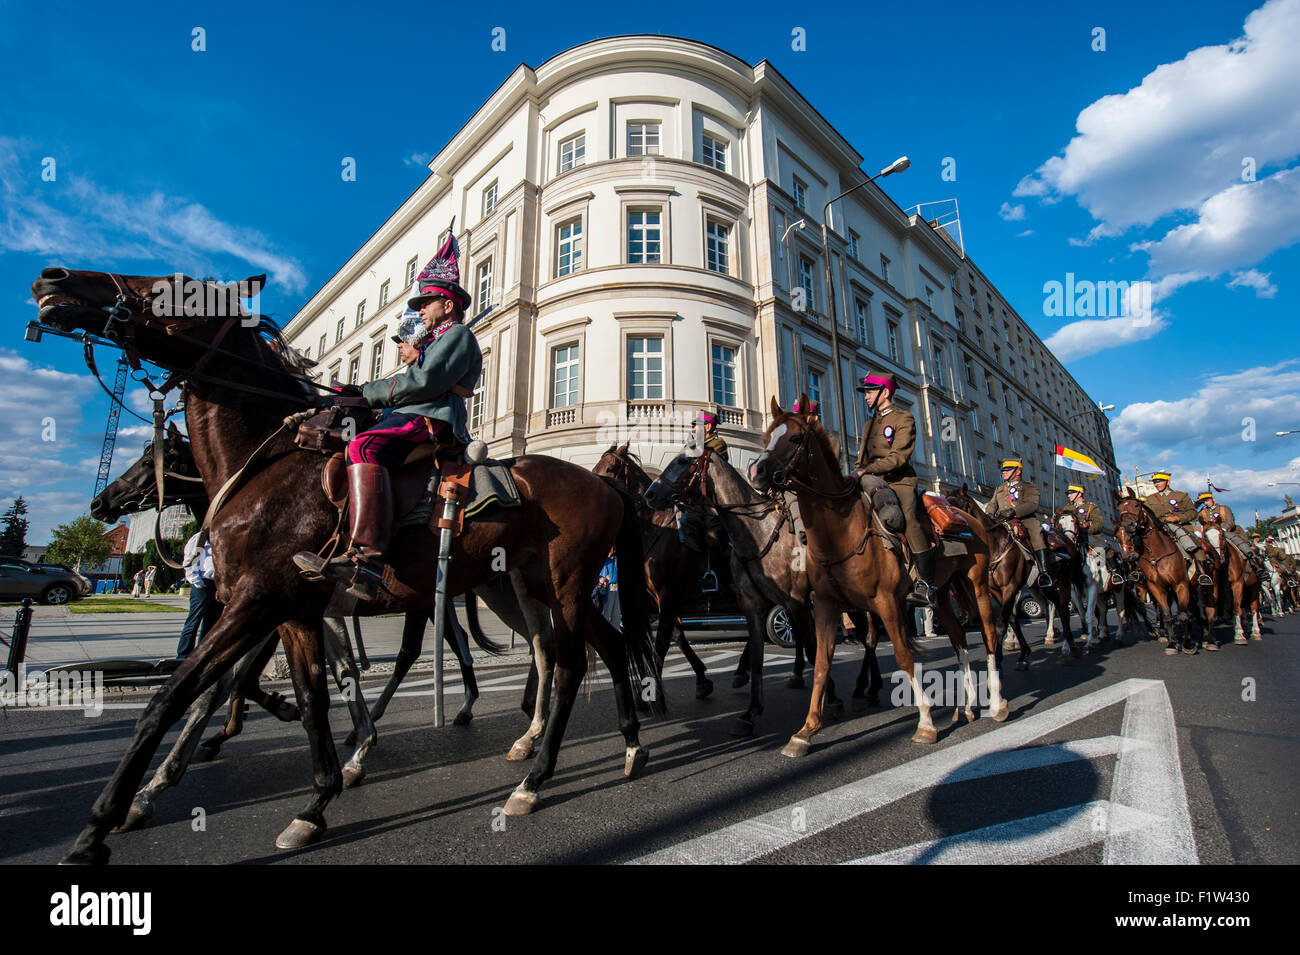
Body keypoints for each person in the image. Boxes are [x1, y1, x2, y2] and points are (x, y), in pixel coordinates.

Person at [294, 229, 482, 600]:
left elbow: (426, 383)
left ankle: (367, 558)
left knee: (363, 447)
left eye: (425, 303)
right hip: (416, 410)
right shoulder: (437, 340)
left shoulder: (457, 334)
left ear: (447, 304)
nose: (421, 311)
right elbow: (422, 375)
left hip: (431, 417)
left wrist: (368, 393)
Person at [851, 372, 936, 607]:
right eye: (866, 392)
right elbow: (862, 458)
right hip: (870, 480)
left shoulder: (904, 418)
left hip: (899, 481)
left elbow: (899, 457)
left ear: (885, 392)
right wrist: (856, 473)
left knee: (907, 518)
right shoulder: (870, 424)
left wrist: (867, 471)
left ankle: (927, 584)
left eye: (870, 391)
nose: (866, 396)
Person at [984, 459, 1053, 587]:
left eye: (1007, 470)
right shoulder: (999, 489)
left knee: (1037, 534)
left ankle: (1044, 573)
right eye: (1003, 470)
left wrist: (1014, 511)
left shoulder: (1028, 486)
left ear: (1018, 471)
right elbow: (992, 505)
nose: (1004, 473)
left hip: (1024, 519)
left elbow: (1032, 504)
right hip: (1002, 521)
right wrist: (987, 515)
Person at [1143, 472, 1213, 586]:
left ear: (1168, 482)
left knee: (1195, 546)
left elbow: (1192, 512)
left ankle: (1203, 574)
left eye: (1159, 481)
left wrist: (1177, 518)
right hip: (1160, 528)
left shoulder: (1181, 495)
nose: (1157, 484)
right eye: (1155, 482)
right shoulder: (1150, 499)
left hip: (1180, 526)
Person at [1196, 491, 1267, 577]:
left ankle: (1255, 562)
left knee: (1239, 542)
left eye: (1207, 500)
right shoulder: (1202, 512)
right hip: (1210, 534)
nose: (1206, 503)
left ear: (1213, 499)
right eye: (1204, 502)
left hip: (1226, 531)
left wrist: (1221, 529)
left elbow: (1230, 522)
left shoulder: (1224, 508)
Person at [176, 533, 220, 659]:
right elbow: (190, 560)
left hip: (217, 584)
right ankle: (183, 655)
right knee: (194, 621)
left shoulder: (223, 534)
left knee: (211, 624)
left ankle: (202, 655)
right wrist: (197, 581)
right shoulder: (201, 538)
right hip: (203, 583)